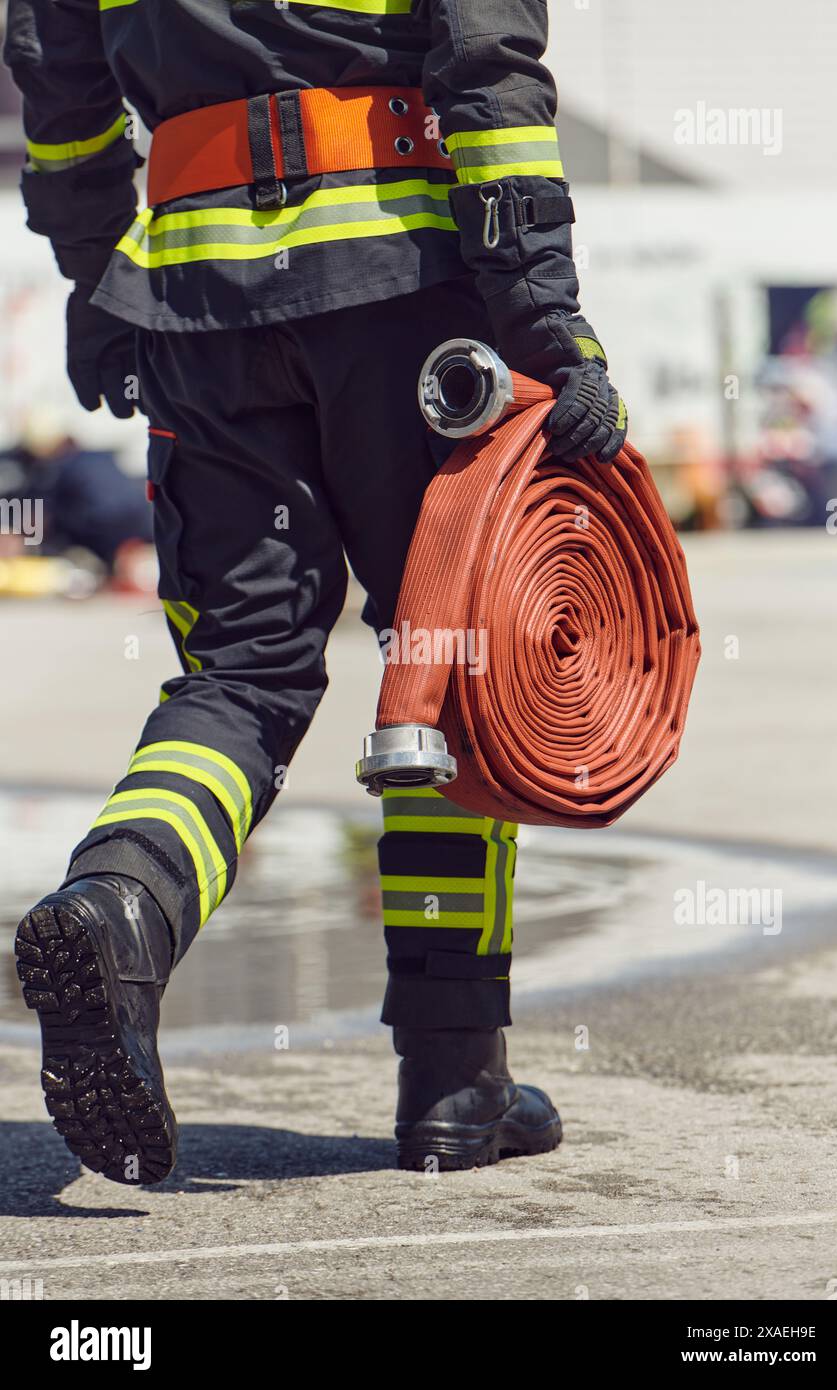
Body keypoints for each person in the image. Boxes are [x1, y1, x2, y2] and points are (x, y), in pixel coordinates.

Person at [5, 0, 627, 1184]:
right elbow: (488, 69)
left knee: (239, 674)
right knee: (452, 668)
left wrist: (98, 281)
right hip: (405, 289)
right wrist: (546, 317)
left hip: (198, 304)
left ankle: (119, 905)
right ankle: (452, 1081)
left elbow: (61, 88)